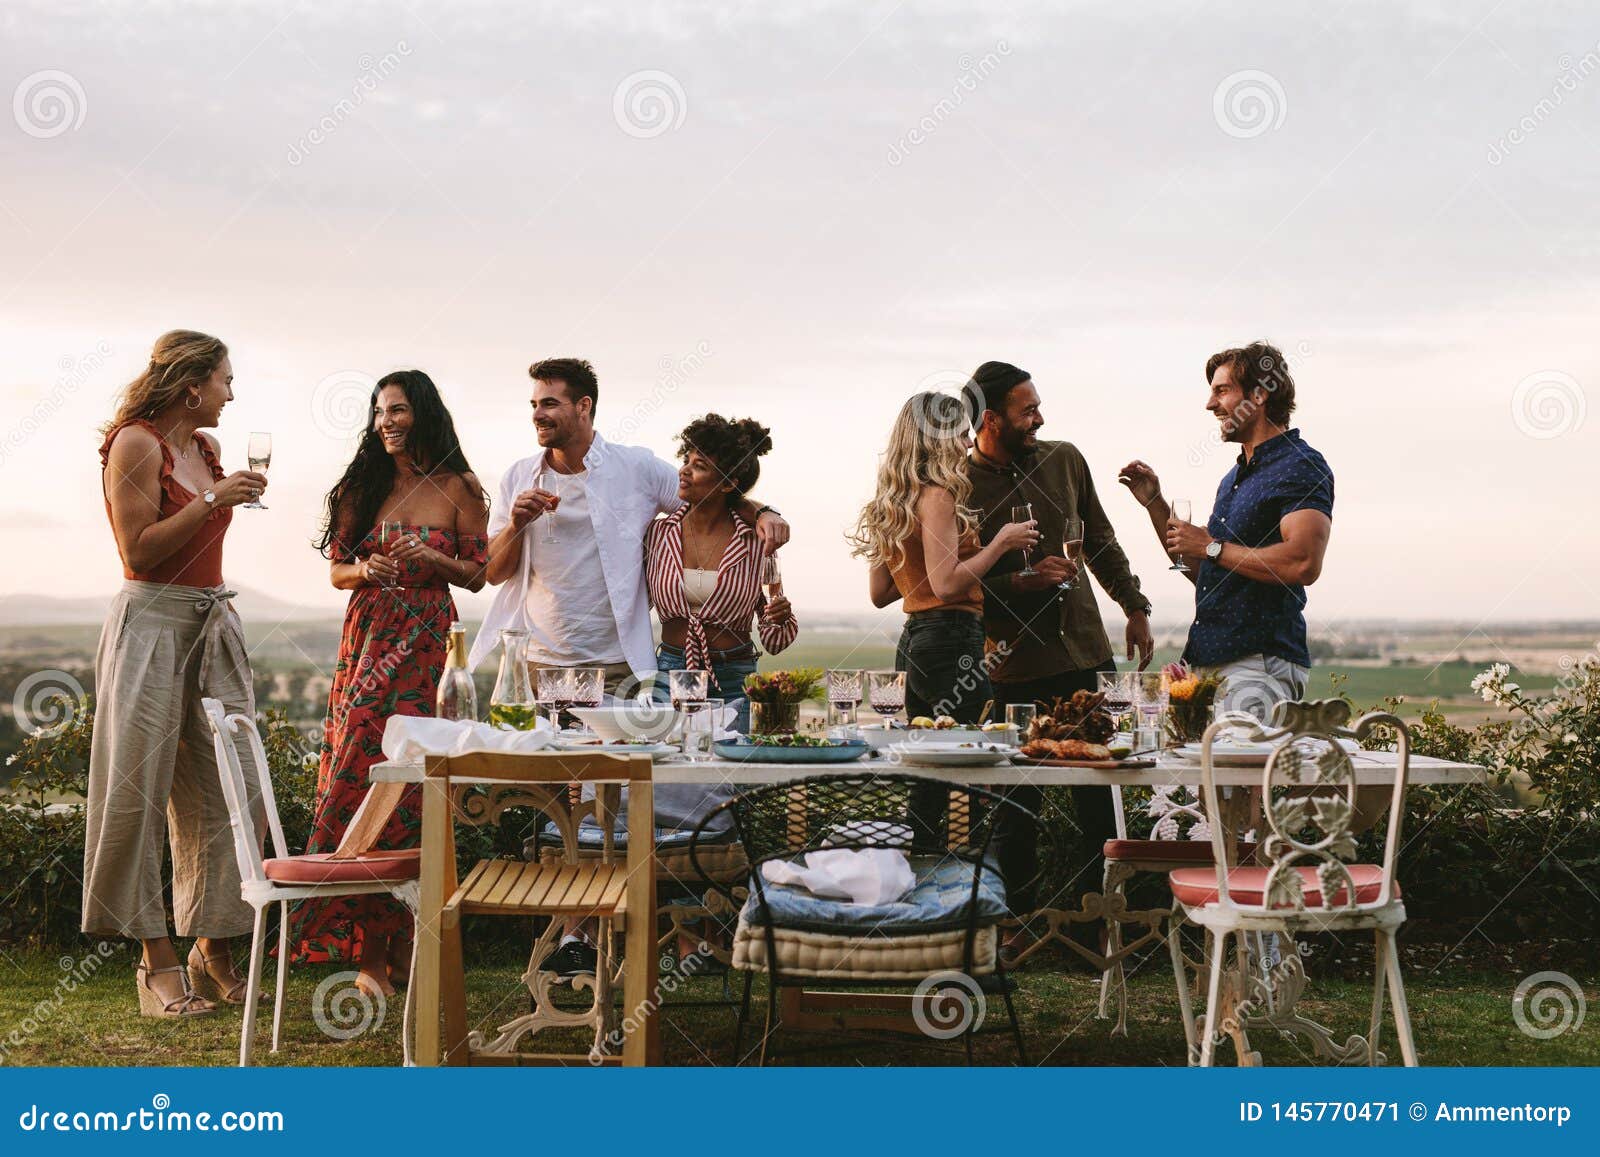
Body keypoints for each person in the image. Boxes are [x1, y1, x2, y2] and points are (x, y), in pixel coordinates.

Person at [476, 357, 790, 977]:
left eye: (551, 403)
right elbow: (493, 572)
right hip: (545, 663)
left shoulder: (636, 468)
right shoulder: (518, 476)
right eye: (534, 404)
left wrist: (762, 513)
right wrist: (516, 523)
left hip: (622, 663)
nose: (539, 414)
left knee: (622, 804)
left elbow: (711, 496)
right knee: (560, 804)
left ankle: (654, 928)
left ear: (585, 407)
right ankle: (573, 934)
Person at [83, 329, 270, 1019]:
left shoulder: (208, 450)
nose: (230, 390)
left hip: (210, 624)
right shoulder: (136, 444)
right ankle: (155, 962)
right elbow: (138, 549)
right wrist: (213, 502)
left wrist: (214, 494)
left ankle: (211, 948)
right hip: (151, 625)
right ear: (192, 384)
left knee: (231, 792)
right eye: (225, 378)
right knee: (138, 788)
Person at [294, 370, 488, 996]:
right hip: (370, 645)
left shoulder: (461, 487)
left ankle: (411, 945)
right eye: (378, 411)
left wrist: (437, 562)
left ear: (424, 413)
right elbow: (336, 575)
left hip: (430, 648)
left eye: (398, 410)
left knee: (420, 789)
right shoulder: (363, 484)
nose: (386, 422)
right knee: (363, 777)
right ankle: (368, 952)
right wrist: (366, 569)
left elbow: (478, 574)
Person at [960, 360, 1154, 965]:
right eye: (1027, 409)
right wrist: (1021, 581)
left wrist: (1135, 604)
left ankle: (1105, 925)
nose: (1040, 418)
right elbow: (946, 585)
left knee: (1104, 797)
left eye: (1038, 406)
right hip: (1010, 668)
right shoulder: (954, 486)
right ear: (990, 419)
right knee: (1015, 807)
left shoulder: (1064, 458)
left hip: (1086, 656)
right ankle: (1018, 925)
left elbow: (1099, 538)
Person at [849, 391, 1039, 846]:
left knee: (928, 773)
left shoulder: (892, 501)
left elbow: (880, 593)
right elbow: (947, 585)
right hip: (952, 640)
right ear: (936, 436)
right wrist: (1001, 544)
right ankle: (958, 886)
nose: (966, 439)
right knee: (960, 770)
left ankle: (919, 870)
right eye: (958, 430)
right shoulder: (937, 495)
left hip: (916, 642)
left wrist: (919, 563)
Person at [1119, 340, 1333, 719]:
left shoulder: (1301, 466)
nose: (1210, 404)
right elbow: (1209, 573)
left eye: (1222, 390)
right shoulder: (1233, 478)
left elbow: (1303, 563)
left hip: (1257, 664)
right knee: (1193, 776)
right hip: (1207, 664)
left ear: (1259, 395)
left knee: (1237, 776)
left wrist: (1212, 547)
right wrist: (1155, 503)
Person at [646, 413, 798, 733]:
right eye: (686, 460)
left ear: (728, 483)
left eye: (699, 466)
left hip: (734, 675)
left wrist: (779, 615)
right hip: (673, 669)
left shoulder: (757, 542)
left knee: (733, 773)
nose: (684, 470)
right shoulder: (658, 534)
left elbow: (773, 638)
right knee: (667, 768)